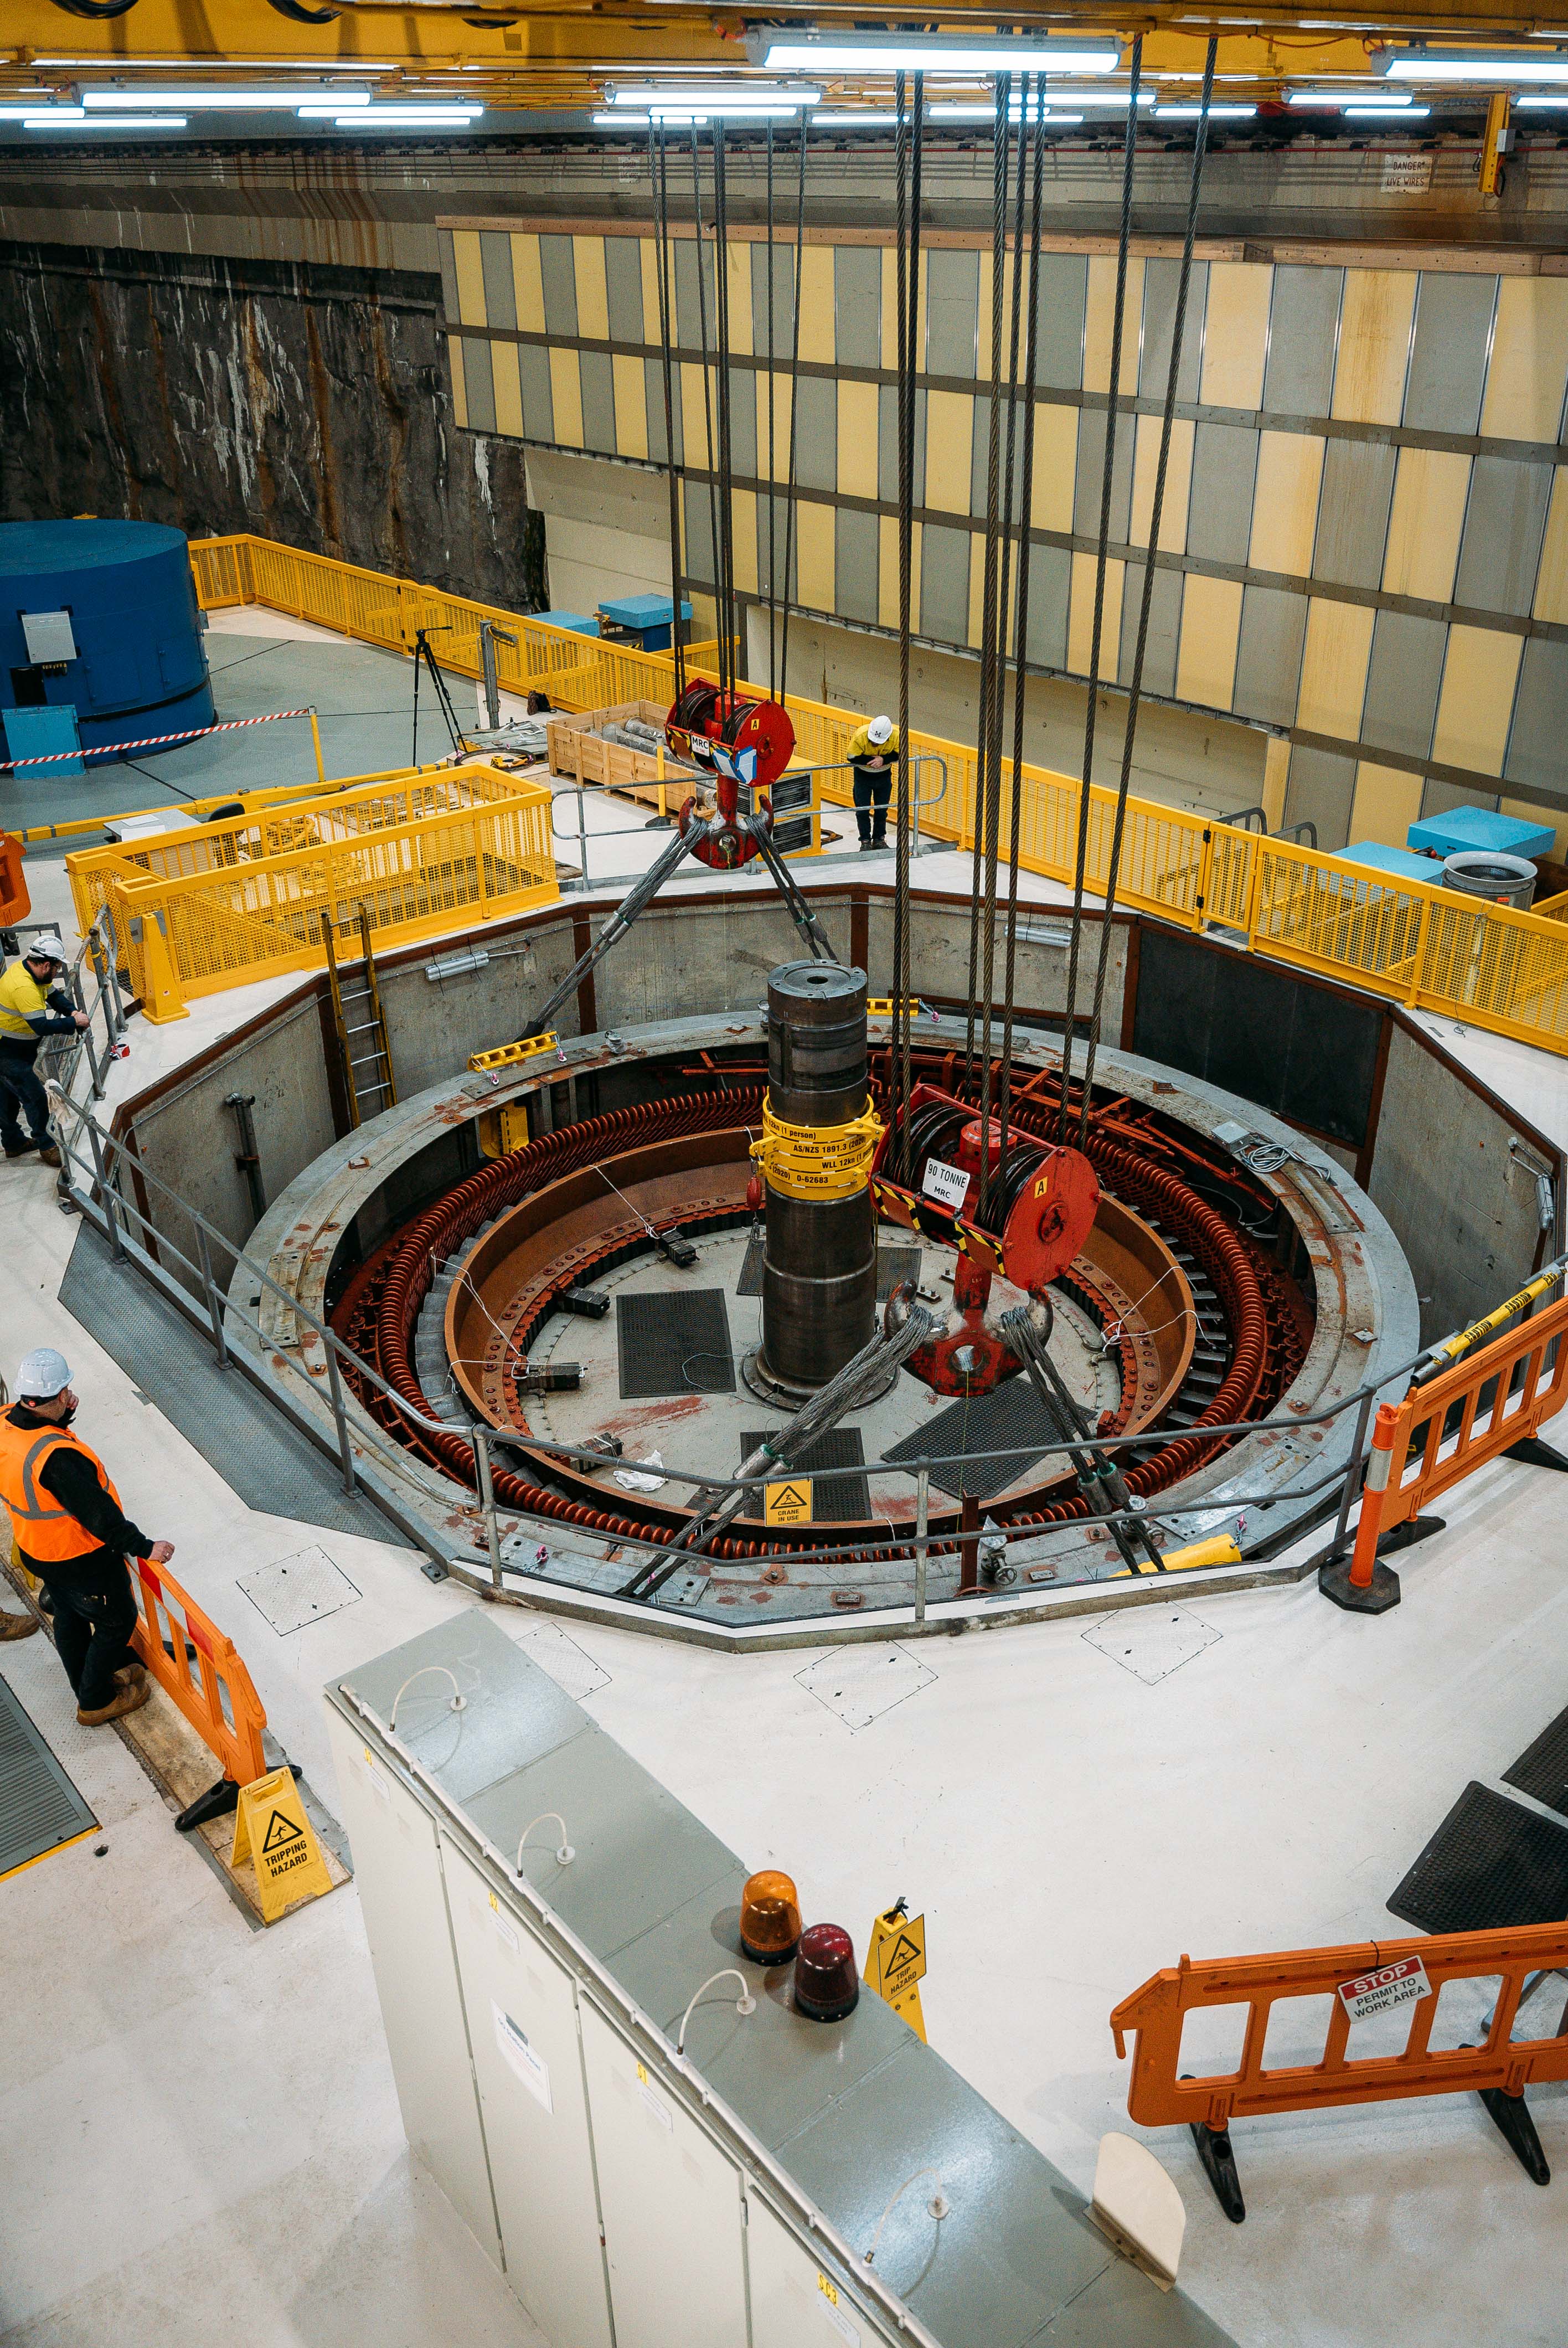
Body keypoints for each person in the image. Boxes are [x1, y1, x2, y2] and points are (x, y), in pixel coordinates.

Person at [0, 1350, 175, 1727]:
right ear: (61, 1395)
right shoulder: (57, 1457)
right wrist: (146, 1548)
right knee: (116, 1621)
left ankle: (85, 1684)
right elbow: (99, 1515)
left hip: (38, 1547)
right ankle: (95, 1699)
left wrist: (62, 1416)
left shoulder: (5, 1423)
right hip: (79, 1557)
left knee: (70, 1616)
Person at [0, 930, 87, 1166]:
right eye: (57, 967)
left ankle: (13, 1143)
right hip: (7, 1050)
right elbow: (40, 1026)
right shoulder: (23, 987)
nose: (58, 971)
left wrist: (72, 1011)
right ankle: (47, 1146)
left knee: (7, 1097)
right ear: (46, 964)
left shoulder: (31, 971)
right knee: (35, 1098)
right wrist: (74, 1023)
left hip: (12, 1046)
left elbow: (54, 996)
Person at [846, 714, 901, 851]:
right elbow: (852, 757)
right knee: (862, 810)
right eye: (872, 740)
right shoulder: (861, 735)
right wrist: (872, 762)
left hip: (884, 776)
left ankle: (879, 839)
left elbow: (900, 754)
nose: (874, 744)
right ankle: (865, 841)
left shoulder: (896, 736)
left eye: (879, 742)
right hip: (862, 777)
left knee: (881, 810)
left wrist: (884, 760)